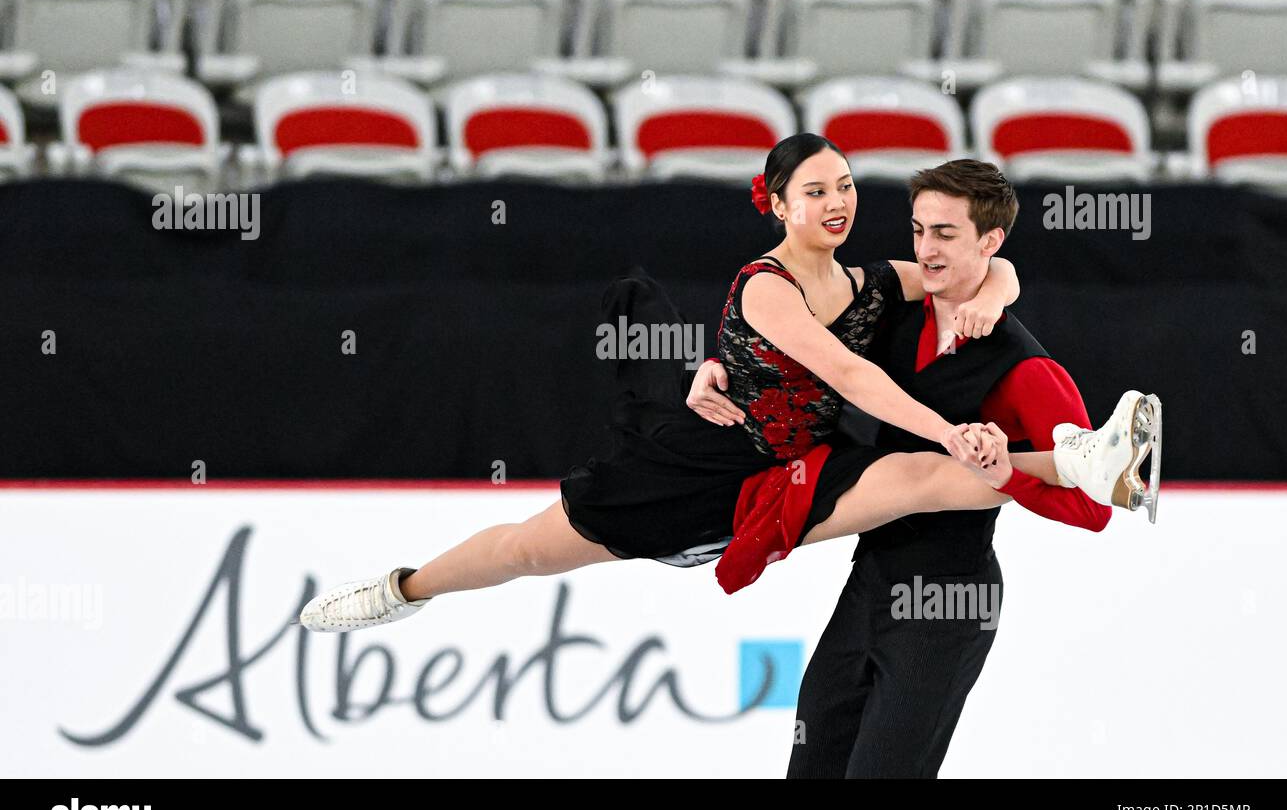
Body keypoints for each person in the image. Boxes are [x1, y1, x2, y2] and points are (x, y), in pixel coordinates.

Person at [295, 136, 1154, 634]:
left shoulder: (874, 280)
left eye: (847, 186)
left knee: (934, 484)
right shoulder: (766, 287)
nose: (837, 201)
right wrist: (944, 423)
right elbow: (850, 373)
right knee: (528, 552)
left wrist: (994, 297)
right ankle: (403, 590)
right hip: (698, 466)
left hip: (799, 472)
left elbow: (977, 269)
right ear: (779, 205)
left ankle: (1087, 461)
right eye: (816, 190)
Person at [685, 156, 1162, 777]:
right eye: (917, 230)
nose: (925, 250)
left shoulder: (1025, 369)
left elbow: (1094, 507)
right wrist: (715, 370)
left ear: (990, 240)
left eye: (945, 234)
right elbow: (796, 349)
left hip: (951, 600)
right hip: (870, 582)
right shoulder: (891, 317)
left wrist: (1004, 473)